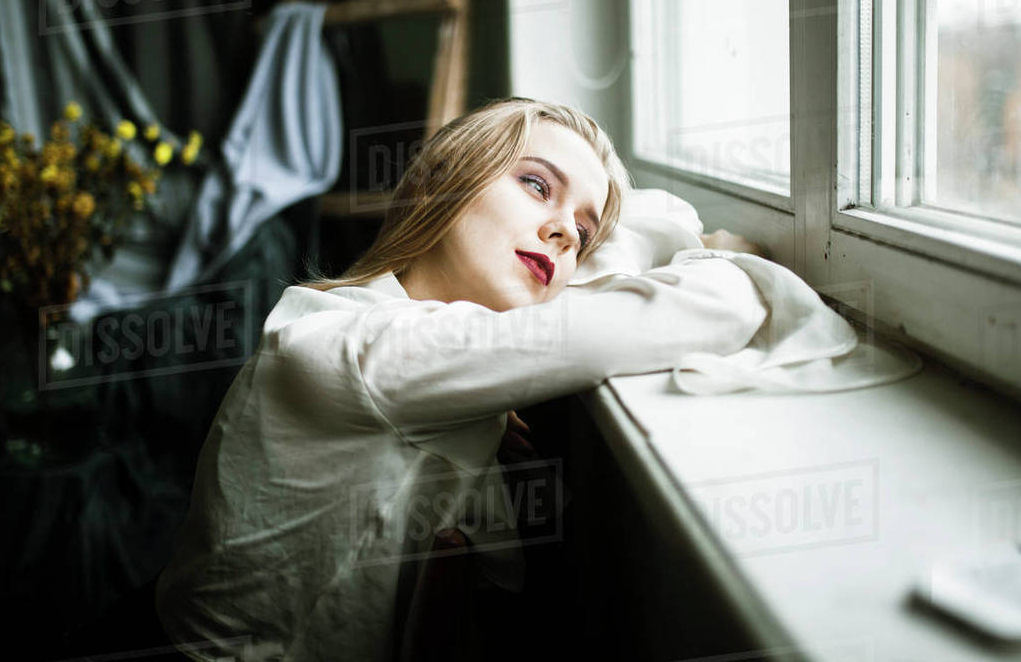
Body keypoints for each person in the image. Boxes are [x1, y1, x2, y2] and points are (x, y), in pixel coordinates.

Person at [153, 97, 769, 661]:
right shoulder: (361, 349)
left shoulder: (449, 358)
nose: (563, 233)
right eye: (535, 184)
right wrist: (719, 253)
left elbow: (633, 227)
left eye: (581, 234)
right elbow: (723, 306)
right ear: (439, 180)